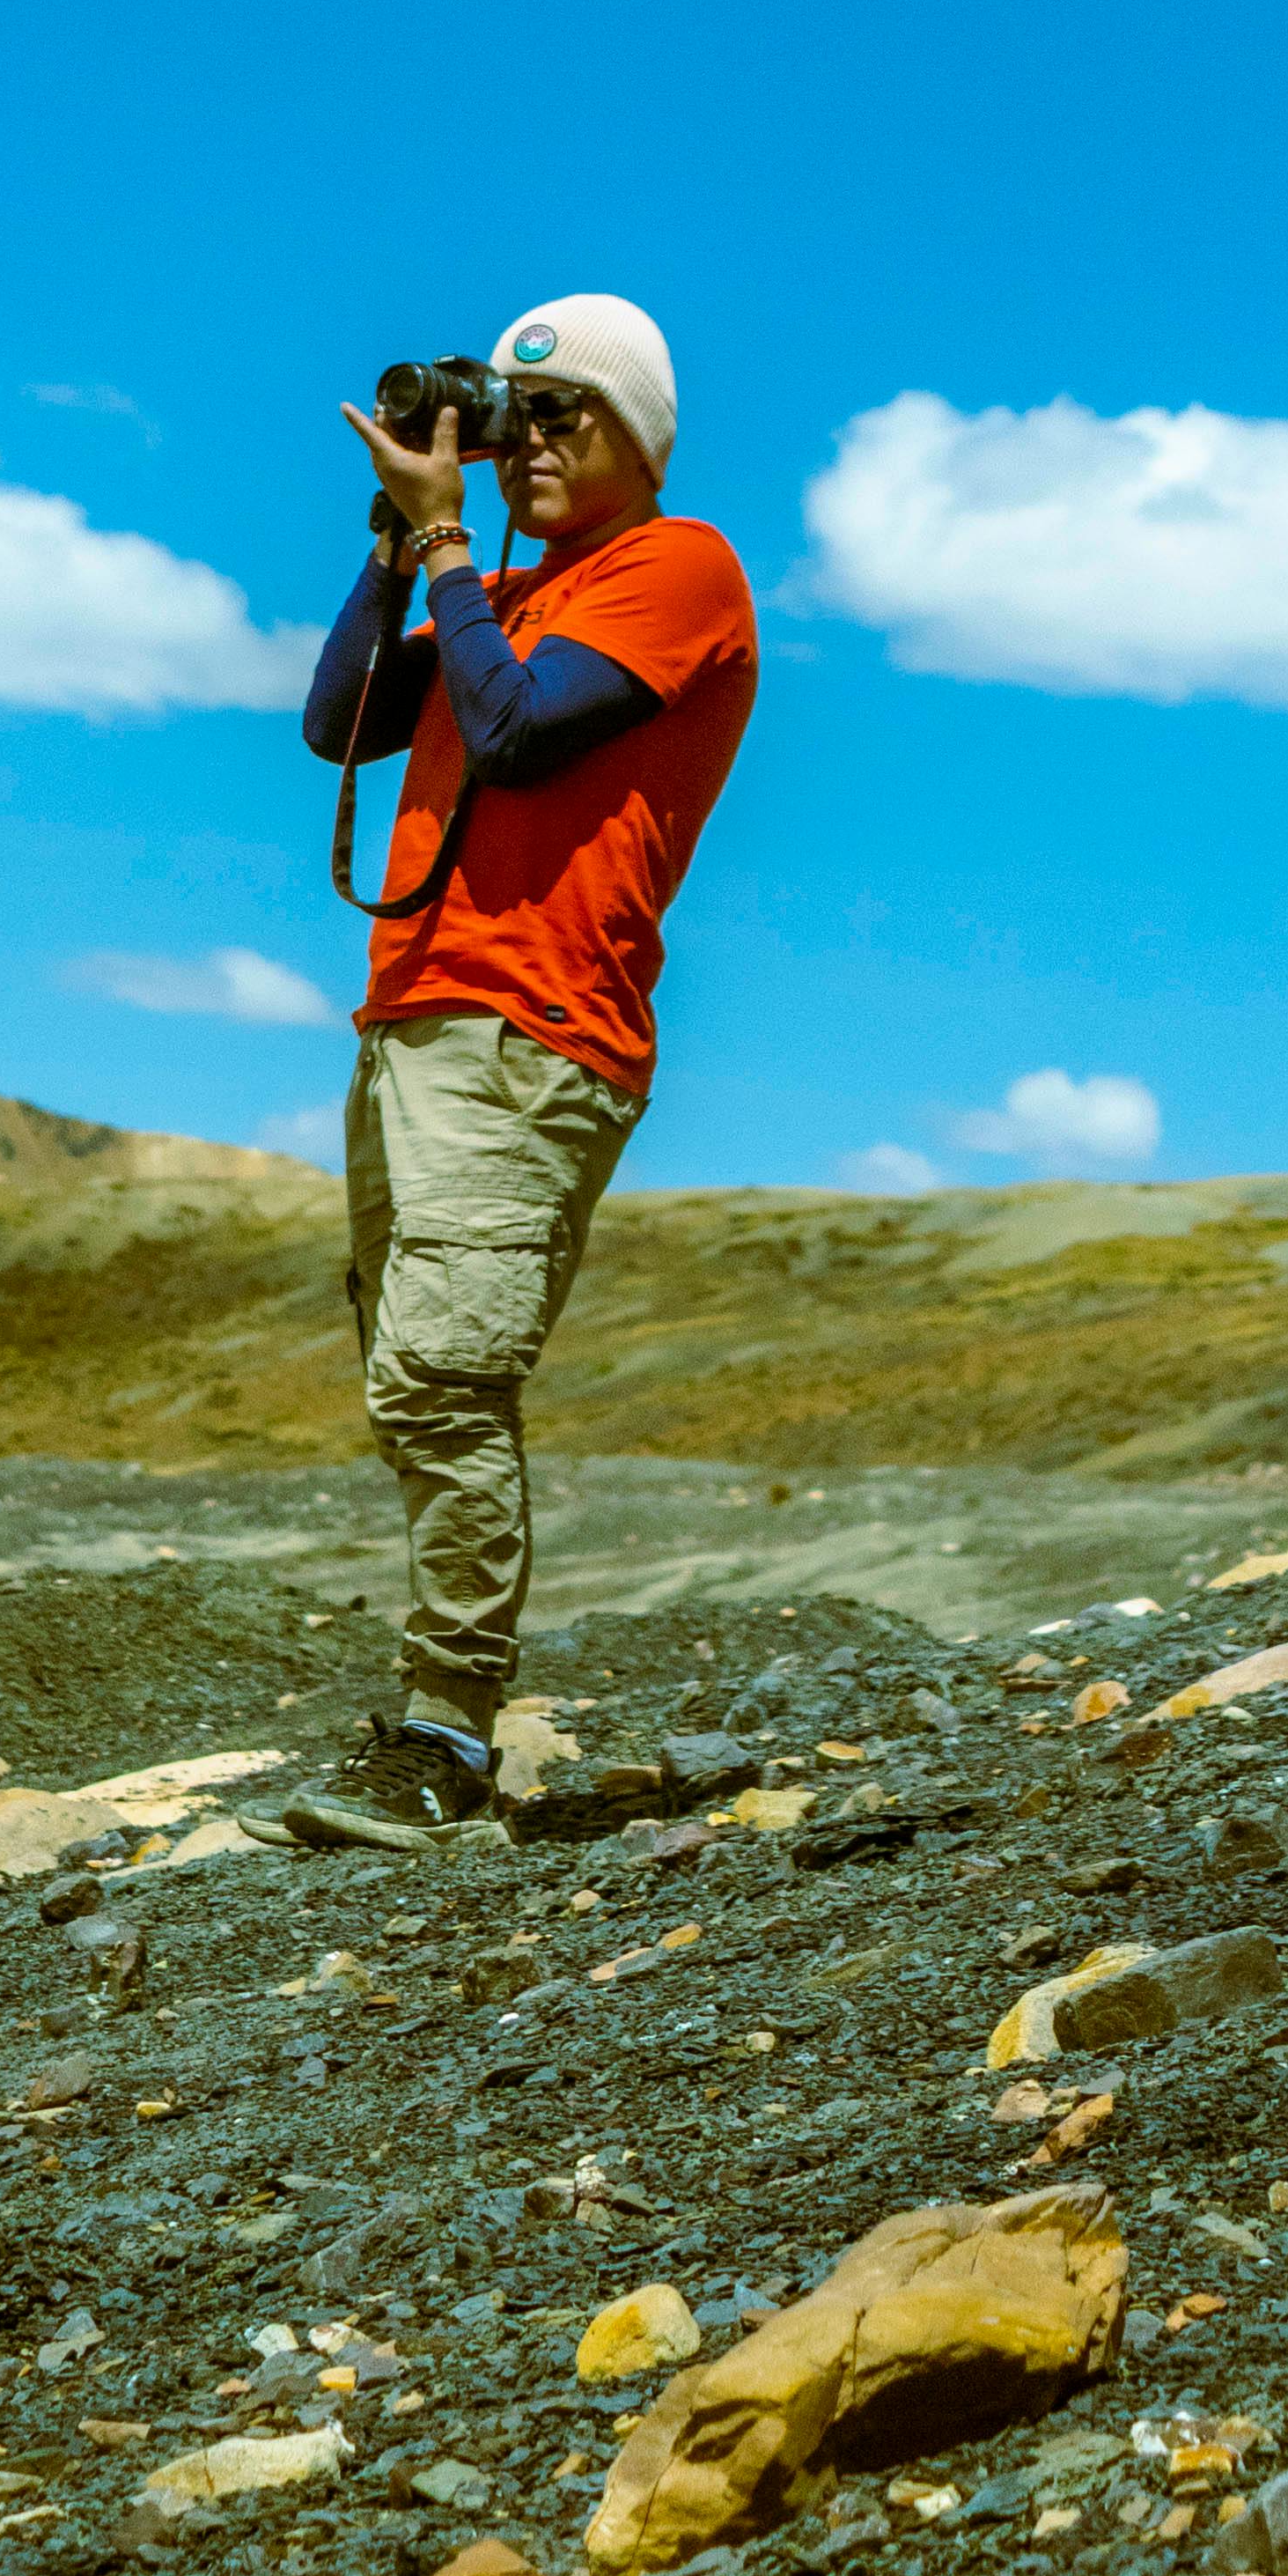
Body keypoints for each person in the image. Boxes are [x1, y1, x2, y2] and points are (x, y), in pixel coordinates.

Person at [304, 293, 757, 1823]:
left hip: (531, 1030)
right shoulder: (490, 588)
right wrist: (398, 542)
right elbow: (335, 722)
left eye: (564, 417)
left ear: (638, 434)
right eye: (515, 418)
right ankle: (432, 1727)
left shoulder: (680, 569)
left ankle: (442, 1741)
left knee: (445, 1375)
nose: (530, 445)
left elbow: (518, 733)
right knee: (408, 1382)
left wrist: (446, 546)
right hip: (411, 1022)